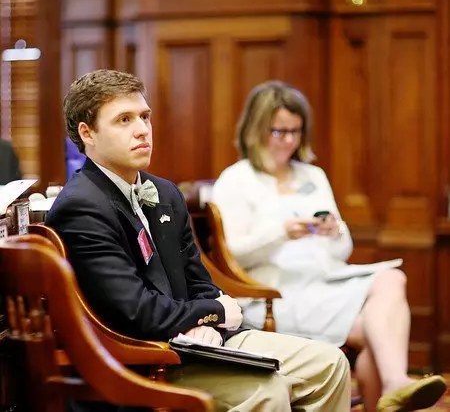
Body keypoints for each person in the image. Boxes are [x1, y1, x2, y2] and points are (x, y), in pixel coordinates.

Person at [46, 69, 351, 412]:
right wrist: (212, 312)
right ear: (87, 133)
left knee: (330, 364)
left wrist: (210, 327)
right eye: (124, 120)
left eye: (144, 117)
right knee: (268, 389)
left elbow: (199, 280)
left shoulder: (164, 193)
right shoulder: (82, 206)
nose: (142, 129)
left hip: (198, 342)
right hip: (146, 359)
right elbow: (136, 311)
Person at [212, 80, 446, 412]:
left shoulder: (312, 176)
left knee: (392, 281)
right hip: (275, 292)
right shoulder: (236, 180)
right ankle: (394, 388)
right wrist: (282, 233)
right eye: (279, 131)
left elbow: (342, 252)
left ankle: (394, 386)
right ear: (257, 129)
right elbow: (233, 255)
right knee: (378, 335)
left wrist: (334, 232)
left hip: (324, 282)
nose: (289, 140)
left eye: (295, 131)